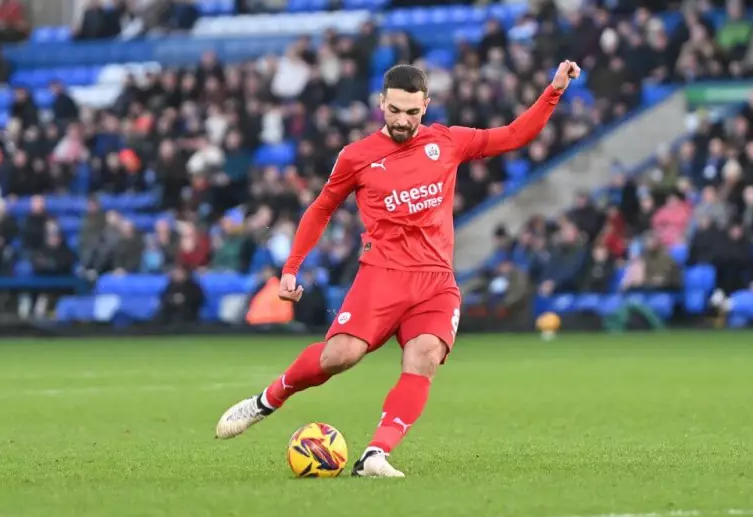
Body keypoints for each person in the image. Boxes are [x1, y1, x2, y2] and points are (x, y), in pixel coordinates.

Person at [215, 61, 581, 477]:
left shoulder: (447, 141)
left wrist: (553, 90)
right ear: (381, 104)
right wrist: (291, 268)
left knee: (424, 356)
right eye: (394, 110)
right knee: (340, 356)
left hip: (435, 281)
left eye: (412, 111)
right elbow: (321, 209)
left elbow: (515, 135)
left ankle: (375, 454)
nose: (402, 120)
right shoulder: (356, 156)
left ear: (426, 105)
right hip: (381, 276)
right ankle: (267, 400)